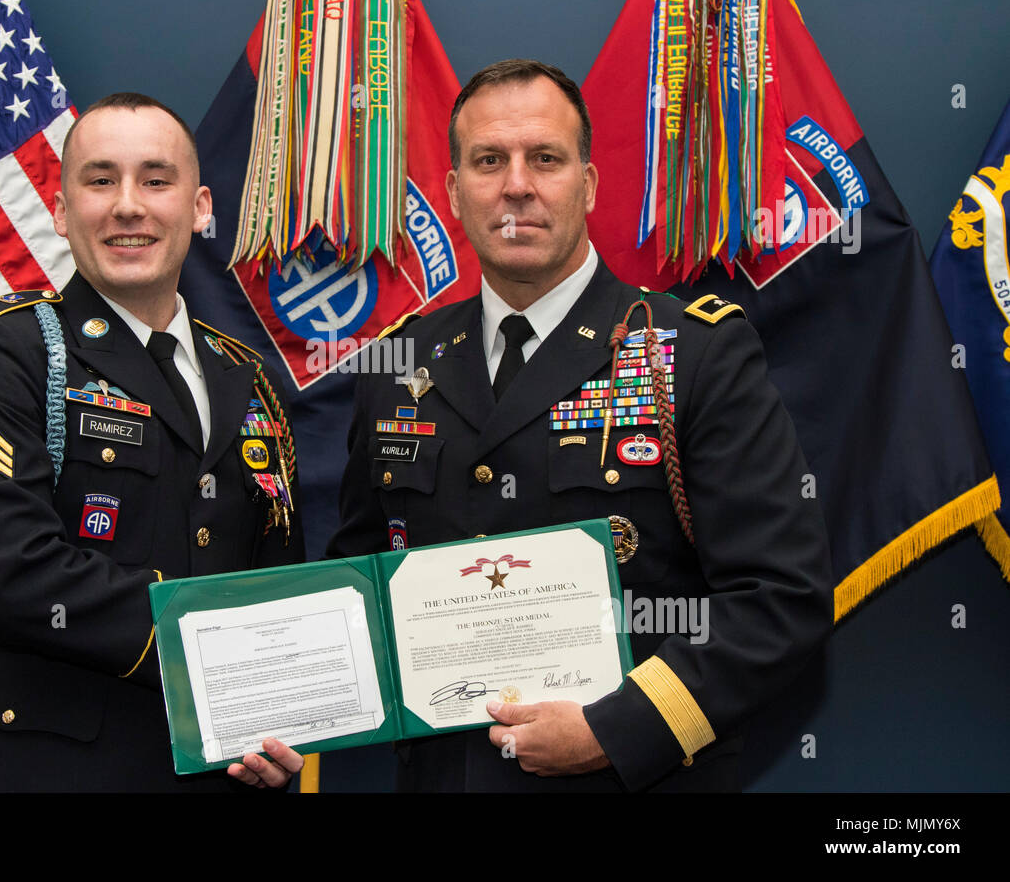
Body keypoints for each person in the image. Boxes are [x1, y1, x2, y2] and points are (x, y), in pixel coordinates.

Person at [328, 60, 833, 792]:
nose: (517, 186)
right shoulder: (396, 365)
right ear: (454, 191)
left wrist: (617, 728)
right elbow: (361, 586)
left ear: (588, 185)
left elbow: (781, 597)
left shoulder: (693, 353)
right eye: (489, 161)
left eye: (546, 159)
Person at [0, 92, 305, 791]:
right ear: (62, 210)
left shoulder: (247, 377)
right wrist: (214, 643)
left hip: (226, 772)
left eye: (157, 180)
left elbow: (277, 578)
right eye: (100, 180)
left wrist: (284, 701)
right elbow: (8, 571)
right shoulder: (7, 349)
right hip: (50, 773)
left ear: (199, 208)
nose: (129, 205)